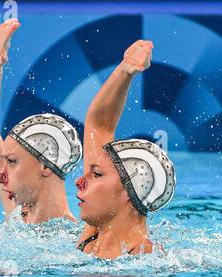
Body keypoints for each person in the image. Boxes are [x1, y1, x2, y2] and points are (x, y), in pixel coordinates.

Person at [0, 18, 82, 224]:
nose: (0, 176)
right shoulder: (16, 214)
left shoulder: (76, 241)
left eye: (12, 162)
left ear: (46, 165)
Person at [75, 40, 176, 258]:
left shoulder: (145, 256)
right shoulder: (91, 239)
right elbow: (98, 124)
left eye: (97, 174)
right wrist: (125, 70)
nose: (79, 181)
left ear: (130, 192)